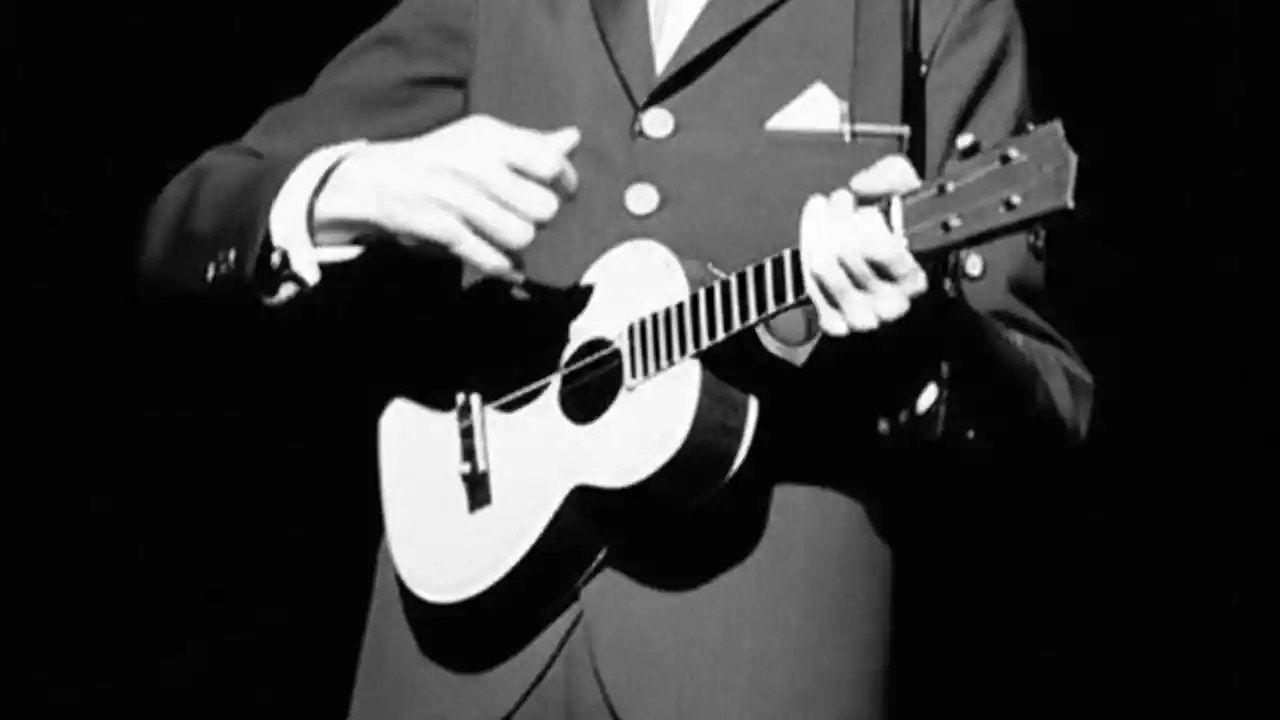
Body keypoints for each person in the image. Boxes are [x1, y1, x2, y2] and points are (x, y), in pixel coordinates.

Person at [140, 0, 1094, 717]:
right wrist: (351, 186)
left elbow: (1043, 419)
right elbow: (191, 221)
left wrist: (920, 330)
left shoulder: (932, 10)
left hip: (751, 667)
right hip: (450, 647)